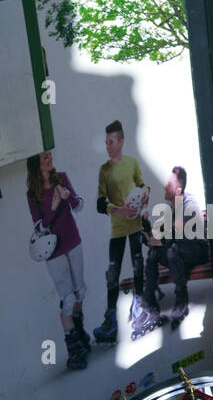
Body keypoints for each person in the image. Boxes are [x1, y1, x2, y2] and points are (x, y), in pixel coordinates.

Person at [26, 151, 90, 370]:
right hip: (53, 251)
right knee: (67, 298)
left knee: (80, 290)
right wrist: (53, 206)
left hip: (73, 241)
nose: (49, 159)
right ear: (36, 163)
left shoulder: (61, 177)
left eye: (49, 155)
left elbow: (78, 206)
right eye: (45, 157)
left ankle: (80, 333)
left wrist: (67, 197)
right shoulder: (32, 193)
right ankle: (74, 350)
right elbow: (40, 228)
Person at [93, 120, 150, 344]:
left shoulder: (133, 163)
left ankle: (140, 310)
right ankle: (111, 323)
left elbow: (143, 186)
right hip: (117, 230)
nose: (108, 146)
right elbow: (99, 204)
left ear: (121, 142)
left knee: (138, 268)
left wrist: (145, 193)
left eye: (111, 142)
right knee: (112, 276)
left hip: (135, 227)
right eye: (106, 142)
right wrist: (119, 209)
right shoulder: (104, 171)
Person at [145, 166, 208, 330]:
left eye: (169, 184)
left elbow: (184, 229)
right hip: (179, 251)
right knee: (153, 253)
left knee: (173, 249)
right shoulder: (170, 206)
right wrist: (149, 236)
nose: (165, 186)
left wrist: (165, 229)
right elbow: (161, 237)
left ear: (178, 189)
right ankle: (149, 298)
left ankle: (182, 300)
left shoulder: (189, 202)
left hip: (197, 250)